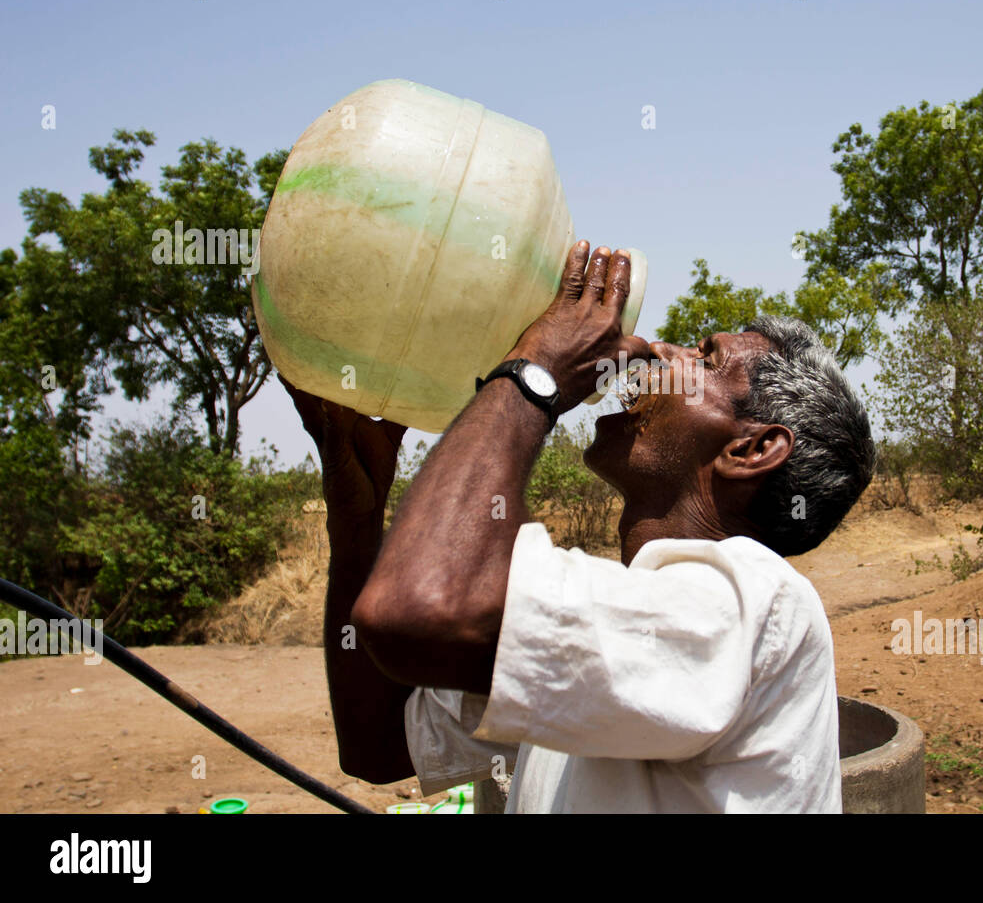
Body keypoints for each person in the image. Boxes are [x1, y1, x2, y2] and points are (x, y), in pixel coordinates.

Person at [282, 241, 876, 812]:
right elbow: (379, 744)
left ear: (751, 449)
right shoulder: (622, 617)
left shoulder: (756, 605)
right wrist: (357, 519)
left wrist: (536, 368)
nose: (658, 350)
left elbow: (418, 613)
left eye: (703, 356)